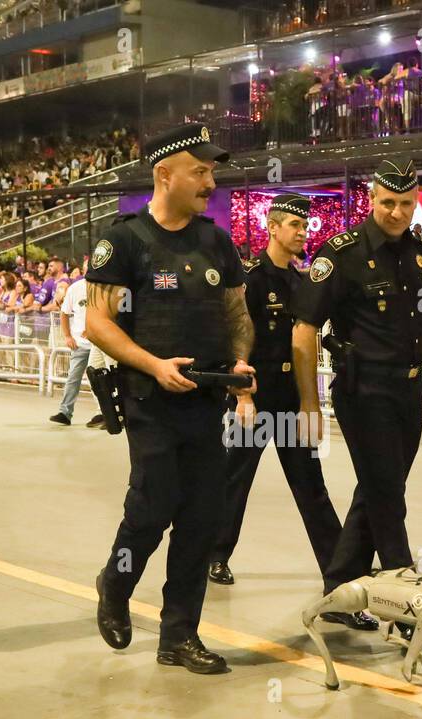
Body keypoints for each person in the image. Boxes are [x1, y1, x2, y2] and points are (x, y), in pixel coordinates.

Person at [84, 123, 256, 675]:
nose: (211, 181)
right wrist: (154, 365)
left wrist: (241, 360)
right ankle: (116, 581)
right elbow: (96, 323)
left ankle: (178, 636)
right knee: (152, 508)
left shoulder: (216, 240)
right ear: (165, 174)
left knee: (203, 518)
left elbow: (236, 313)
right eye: (200, 170)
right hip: (149, 401)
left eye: (212, 171)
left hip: (207, 403)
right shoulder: (126, 240)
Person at [294, 158, 422, 634]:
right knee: (387, 495)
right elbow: (303, 330)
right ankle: (408, 603)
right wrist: (309, 403)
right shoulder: (341, 254)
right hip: (361, 388)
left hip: (408, 390)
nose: (396, 212)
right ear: (370, 199)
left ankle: (338, 587)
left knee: (379, 489)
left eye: (405, 204)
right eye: (387, 202)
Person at [206, 194, 343, 598]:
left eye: (305, 227)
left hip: (290, 397)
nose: (303, 233)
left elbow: (305, 347)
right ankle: (215, 555)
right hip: (255, 396)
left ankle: (338, 570)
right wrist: (242, 396)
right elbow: (235, 337)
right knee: (235, 479)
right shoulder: (251, 279)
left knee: (311, 485)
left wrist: (308, 402)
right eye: (295, 226)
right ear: (273, 228)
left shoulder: (301, 283)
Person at [49, 271, 93, 425]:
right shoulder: (75, 288)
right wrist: (68, 336)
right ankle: (65, 412)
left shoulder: (104, 287)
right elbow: (64, 313)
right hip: (80, 343)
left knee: (100, 380)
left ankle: (104, 413)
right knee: (73, 378)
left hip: (100, 344)